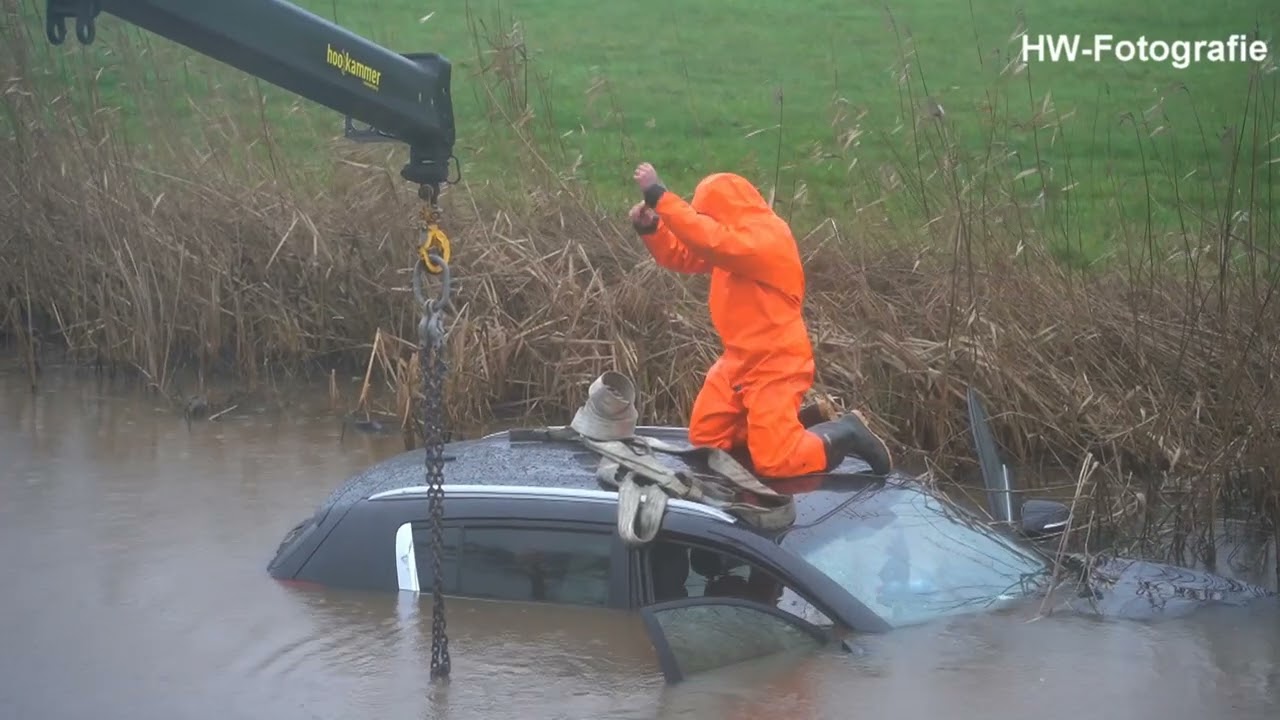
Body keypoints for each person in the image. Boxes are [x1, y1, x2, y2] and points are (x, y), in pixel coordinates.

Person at [627, 161, 893, 478]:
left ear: (723, 210)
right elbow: (687, 252)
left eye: (706, 215)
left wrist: (659, 196)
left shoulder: (766, 238)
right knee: (708, 441)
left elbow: (709, 240)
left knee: (775, 462)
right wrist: (653, 230)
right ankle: (789, 426)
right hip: (739, 360)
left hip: (775, 361)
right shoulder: (732, 241)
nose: (703, 222)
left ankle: (847, 431)